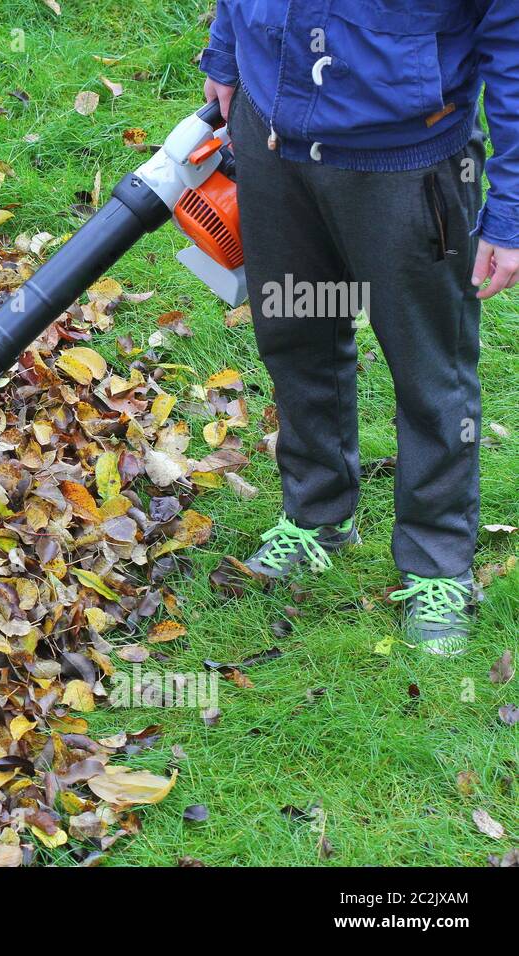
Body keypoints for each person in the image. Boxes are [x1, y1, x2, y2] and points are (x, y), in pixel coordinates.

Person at [198, 0, 519, 654]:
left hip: (407, 156)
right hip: (271, 134)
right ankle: (317, 517)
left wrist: (510, 211)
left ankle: (436, 567)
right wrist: (227, 50)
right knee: (296, 337)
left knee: (431, 371)